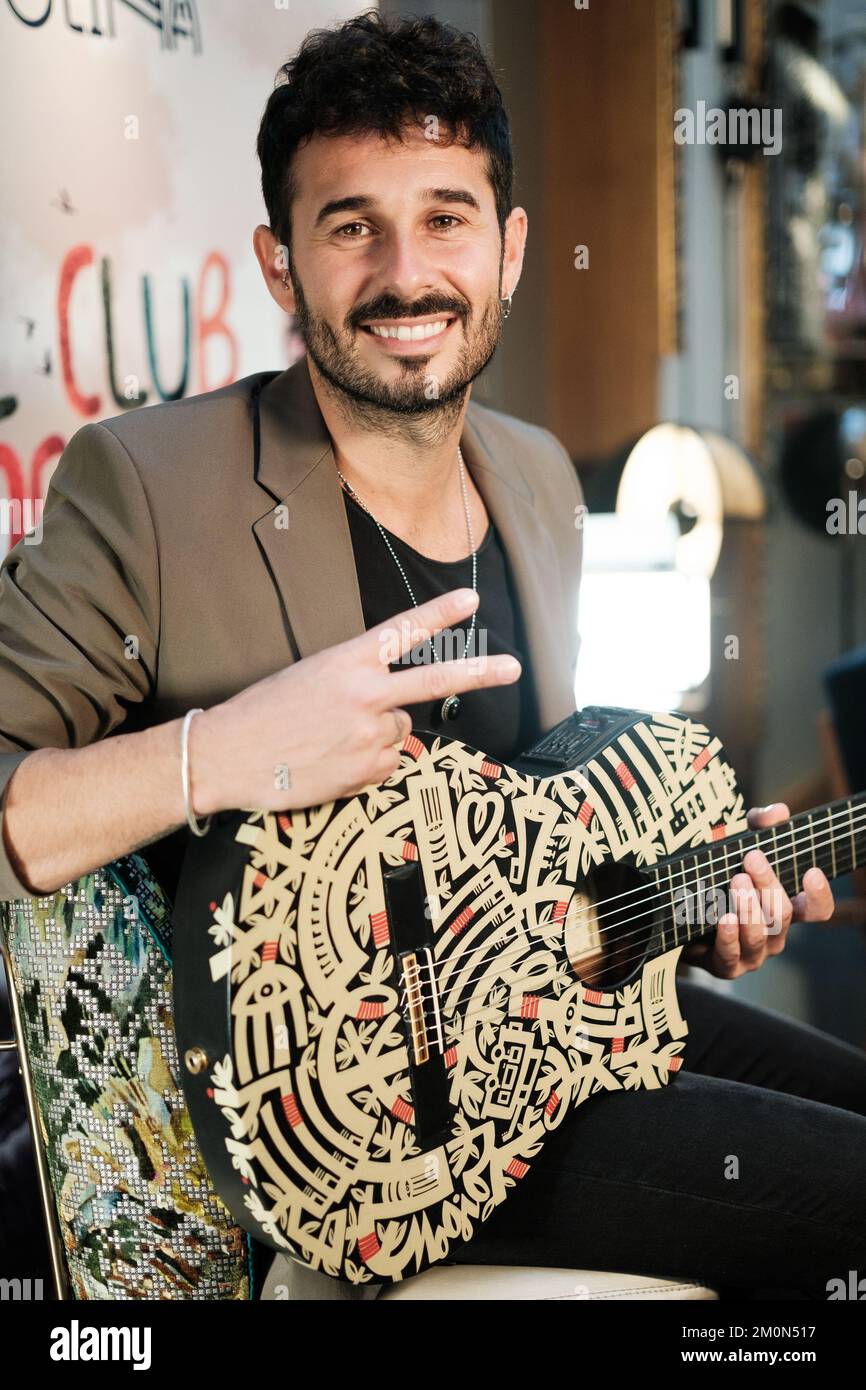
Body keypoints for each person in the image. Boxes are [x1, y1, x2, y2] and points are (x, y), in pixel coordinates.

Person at [0, 11, 860, 1302]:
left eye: (447, 217)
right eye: (351, 225)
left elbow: (522, 861)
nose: (406, 274)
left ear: (509, 250)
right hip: (323, 1132)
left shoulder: (529, 473)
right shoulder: (146, 481)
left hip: (527, 1051)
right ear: (280, 265)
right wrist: (217, 753)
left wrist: (684, 918)